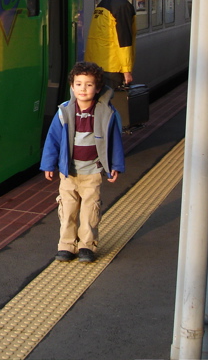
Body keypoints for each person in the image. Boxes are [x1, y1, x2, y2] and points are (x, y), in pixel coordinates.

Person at [40, 61, 125, 263]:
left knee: (90, 210)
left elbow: (115, 141)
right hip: (68, 172)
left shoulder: (107, 113)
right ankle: (66, 245)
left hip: (92, 172)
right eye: (78, 84)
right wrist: (48, 164)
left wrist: (115, 165)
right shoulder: (64, 112)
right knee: (67, 210)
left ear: (98, 88)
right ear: (72, 86)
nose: (83, 89)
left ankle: (87, 245)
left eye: (89, 85)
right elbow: (52, 139)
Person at [85, 0, 139, 90]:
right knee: (114, 100)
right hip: (113, 67)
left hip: (96, 65)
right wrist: (126, 70)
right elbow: (123, 40)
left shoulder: (103, 3)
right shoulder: (123, 6)